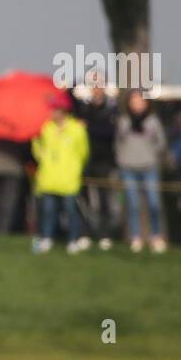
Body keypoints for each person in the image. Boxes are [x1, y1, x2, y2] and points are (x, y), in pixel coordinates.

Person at [31, 92, 89, 254]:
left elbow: (83, 152)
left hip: (68, 179)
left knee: (71, 211)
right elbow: (38, 148)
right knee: (48, 211)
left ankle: (73, 239)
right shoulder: (45, 128)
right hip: (48, 178)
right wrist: (43, 157)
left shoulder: (76, 129)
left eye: (55, 109)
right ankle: (47, 238)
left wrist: (74, 167)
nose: (51, 112)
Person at [115, 89, 168, 253]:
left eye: (140, 100)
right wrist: (122, 160)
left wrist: (152, 155)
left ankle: (156, 236)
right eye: (134, 100)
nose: (137, 104)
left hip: (149, 166)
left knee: (154, 203)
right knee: (133, 204)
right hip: (128, 167)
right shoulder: (123, 121)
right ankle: (135, 237)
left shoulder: (152, 122)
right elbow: (118, 143)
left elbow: (161, 143)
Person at [76, 74, 120, 249]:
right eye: (93, 85)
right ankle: (84, 233)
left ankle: (104, 234)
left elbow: (109, 132)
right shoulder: (84, 108)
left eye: (99, 85)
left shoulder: (111, 109)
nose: (96, 89)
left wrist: (90, 127)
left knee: (104, 199)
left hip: (104, 161)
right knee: (84, 199)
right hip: (86, 159)